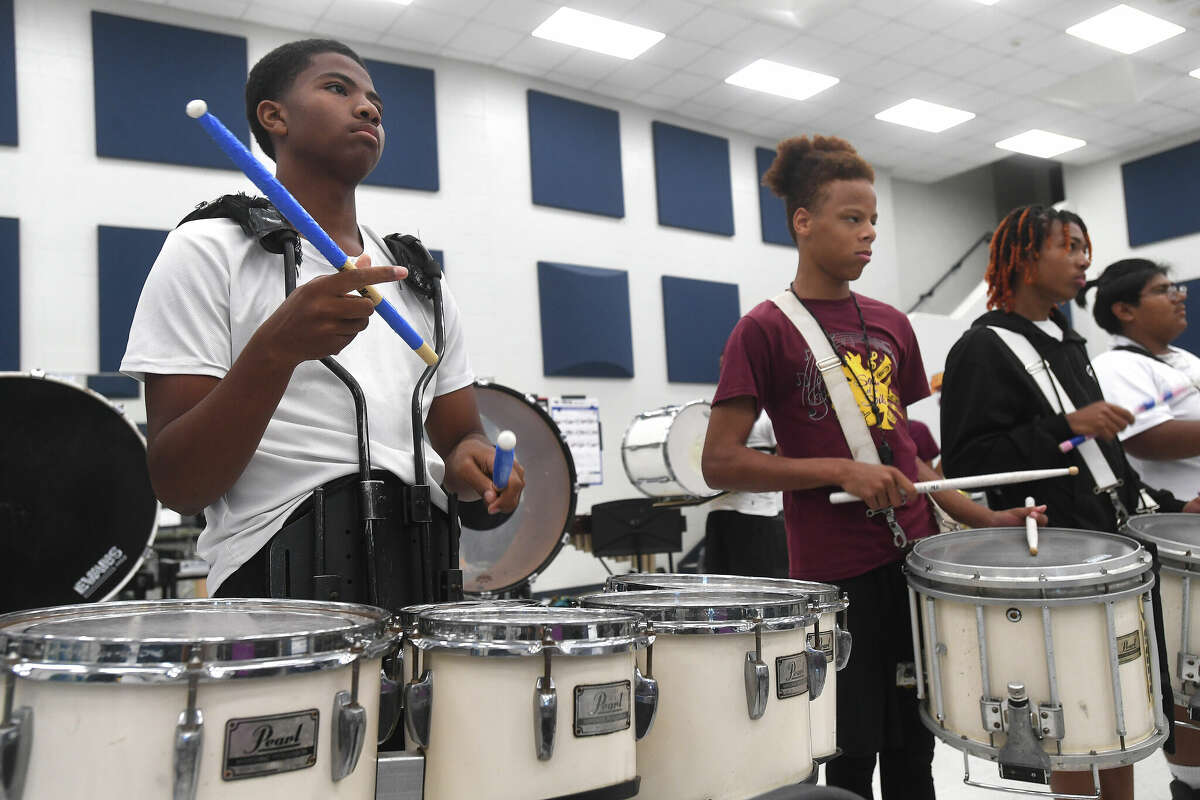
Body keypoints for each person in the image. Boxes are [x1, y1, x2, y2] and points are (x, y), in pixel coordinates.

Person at [121, 39, 523, 607]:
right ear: (273, 115)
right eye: (338, 88)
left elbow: (460, 438)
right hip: (276, 603)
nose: (368, 108)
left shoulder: (417, 280)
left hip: (425, 591)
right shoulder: (209, 249)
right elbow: (181, 486)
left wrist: (471, 463)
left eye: (375, 101)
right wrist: (276, 350)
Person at [701, 135, 1044, 800]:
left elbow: (913, 459)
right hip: (836, 572)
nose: (869, 236)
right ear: (804, 221)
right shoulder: (764, 329)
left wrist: (989, 517)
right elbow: (721, 461)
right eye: (851, 219)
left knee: (917, 744)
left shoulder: (891, 323)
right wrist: (840, 471)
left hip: (912, 560)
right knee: (850, 747)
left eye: (874, 221)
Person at [940, 206, 1196, 799]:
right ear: (1026, 258)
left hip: (1114, 541)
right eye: (1070, 246)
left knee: (1123, 711)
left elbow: (1102, 458)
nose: (1084, 260)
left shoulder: (1068, 339)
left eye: (1085, 247)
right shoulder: (983, 347)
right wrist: (1066, 424)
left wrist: (1166, 504)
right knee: (1077, 714)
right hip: (1055, 552)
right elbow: (968, 462)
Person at [1082, 259, 1200, 800]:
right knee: (1188, 670)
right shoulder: (1118, 366)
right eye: (1161, 290)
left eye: (1176, 287)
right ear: (1124, 310)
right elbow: (1147, 438)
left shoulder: (1183, 361)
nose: (1178, 296)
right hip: (1179, 537)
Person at [703, 408, 788, 578]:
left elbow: (785, 462)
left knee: (754, 592)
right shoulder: (716, 416)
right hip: (718, 511)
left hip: (755, 514)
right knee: (718, 590)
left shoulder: (768, 417)